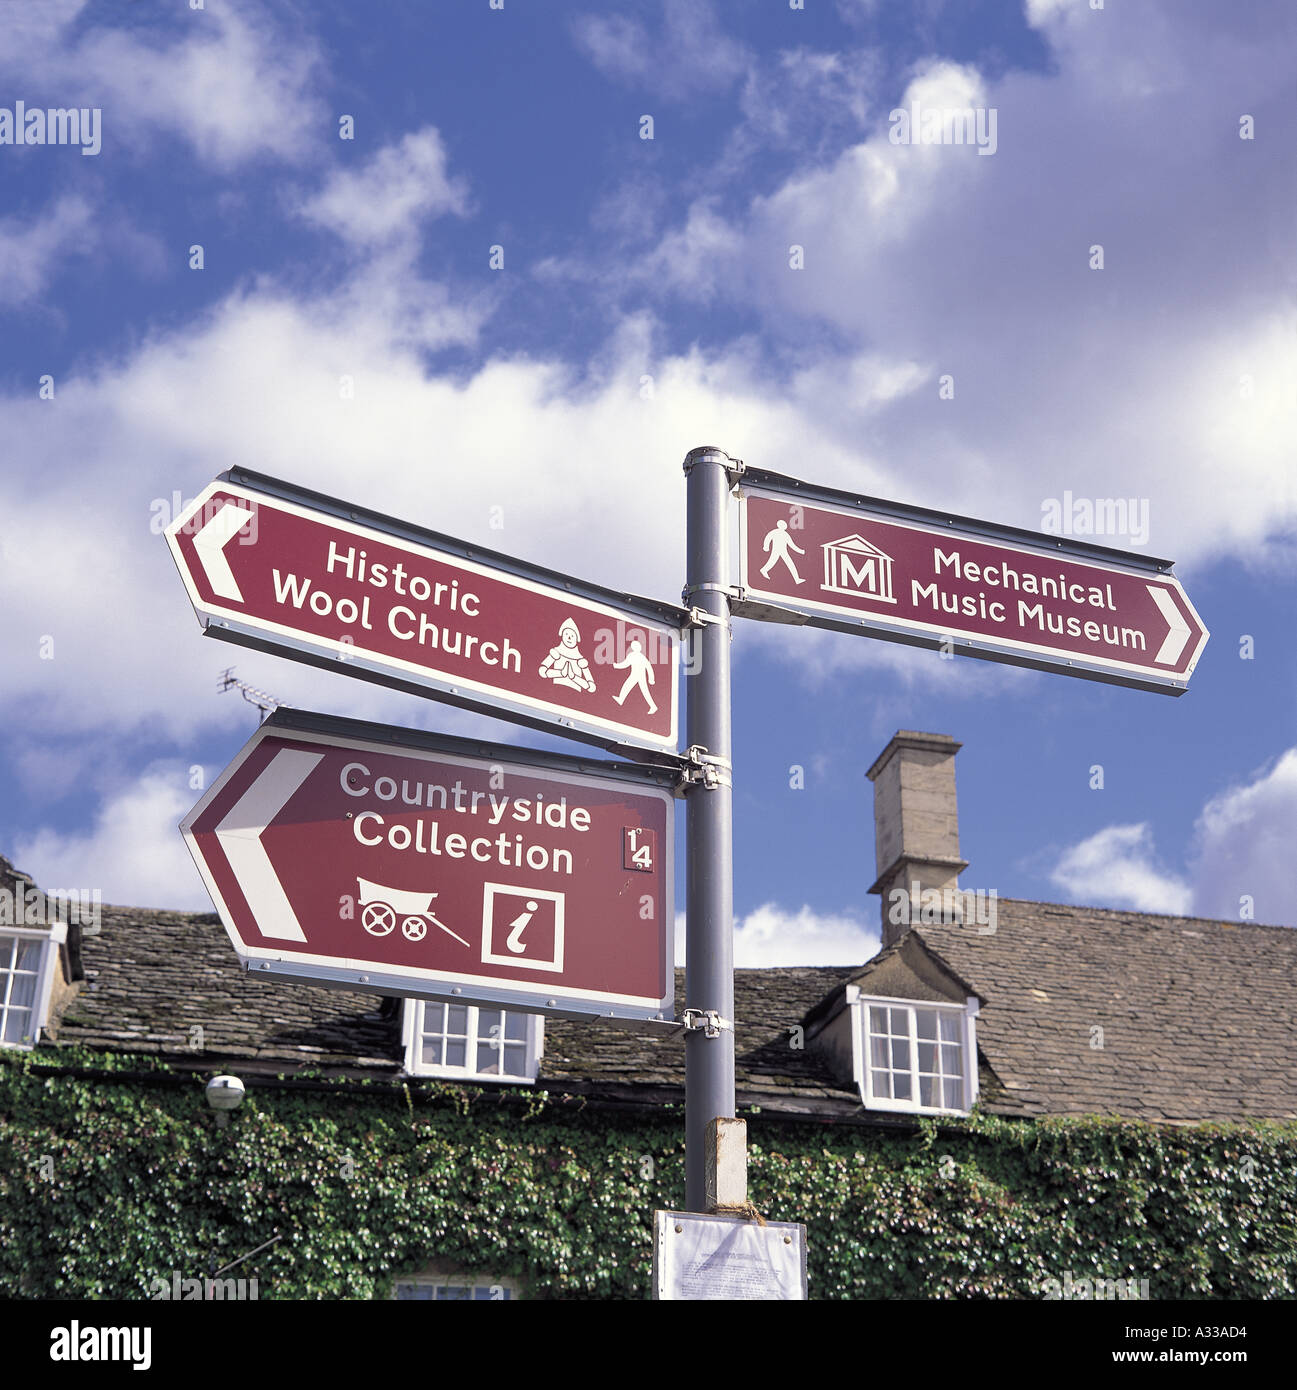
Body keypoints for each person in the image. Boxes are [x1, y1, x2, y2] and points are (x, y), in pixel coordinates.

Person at [538, 617, 596, 692]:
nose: (569, 637)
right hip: (552, 690)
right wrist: (560, 673)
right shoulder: (556, 653)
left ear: (576, 639)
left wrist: (574, 677)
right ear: (562, 635)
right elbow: (542, 671)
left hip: (576, 696)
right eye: (566, 634)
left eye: (572, 636)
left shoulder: (581, 661)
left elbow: (591, 687)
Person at [612, 638, 657, 713]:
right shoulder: (637, 656)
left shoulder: (637, 656)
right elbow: (626, 663)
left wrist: (651, 679)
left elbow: (648, 667)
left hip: (639, 676)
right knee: (627, 685)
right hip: (635, 675)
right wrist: (651, 679)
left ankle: (653, 706)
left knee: (645, 691)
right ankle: (621, 699)